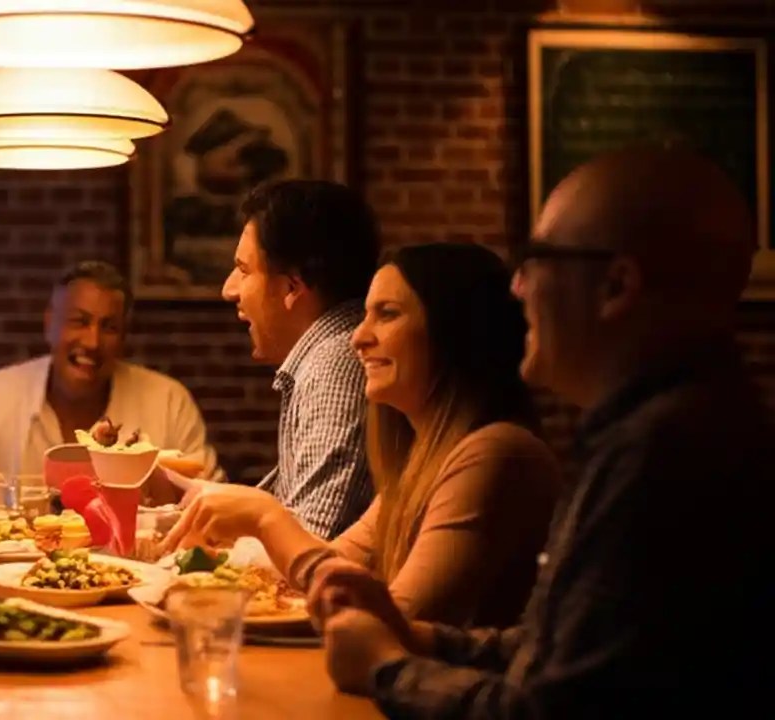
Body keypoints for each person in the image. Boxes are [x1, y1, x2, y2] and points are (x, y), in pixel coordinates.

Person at [309, 147, 774, 715]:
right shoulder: (657, 427)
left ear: (616, 286)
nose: (518, 289)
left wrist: (389, 669)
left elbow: (551, 711)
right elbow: (549, 647)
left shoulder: (666, 454)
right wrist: (417, 638)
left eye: (536, 261)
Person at [167, 243, 561, 627]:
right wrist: (242, 530)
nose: (358, 337)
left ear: (455, 332)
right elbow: (334, 565)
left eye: (387, 315)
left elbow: (395, 622)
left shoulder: (496, 452)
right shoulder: (421, 459)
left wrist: (266, 518)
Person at [0, 260, 223, 512]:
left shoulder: (167, 400)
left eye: (109, 327)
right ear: (50, 323)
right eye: (79, 321)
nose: (92, 342)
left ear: (124, 337)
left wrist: (163, 489)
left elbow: (219, 502)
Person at [220, 179, 379, 538]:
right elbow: (282, 506)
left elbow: (311, 538)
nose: (229, 289)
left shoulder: (335, 364)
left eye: (244, 271)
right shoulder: (319, 358)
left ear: (292, 287)